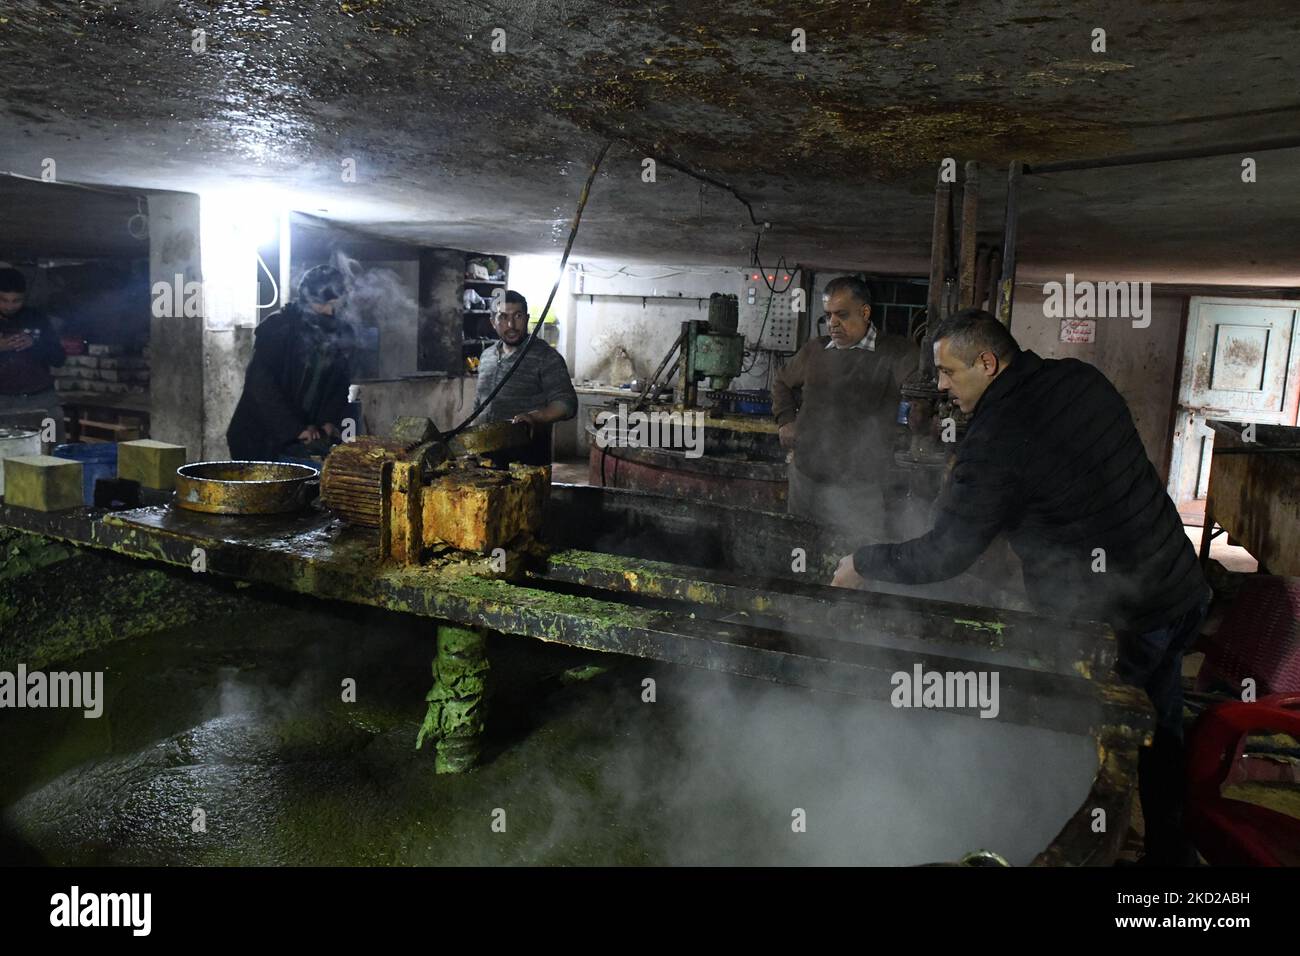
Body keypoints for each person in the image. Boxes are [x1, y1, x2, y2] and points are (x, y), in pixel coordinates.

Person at [832, 308, 1212, 865]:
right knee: (1159, 722)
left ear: (987, 362)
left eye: (948, 373)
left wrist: (864, 562)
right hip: (1179, 590)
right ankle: (1170, 853)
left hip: (1118, 624)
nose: (939, 387)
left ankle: (1058, 845)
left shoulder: (996, 438)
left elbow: (946, 553)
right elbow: (1082, 484)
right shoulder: (1081, 379)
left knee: (1077, 739)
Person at [771, 275, 917, 538]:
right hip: (806, 478)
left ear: (865, 312)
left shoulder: (895, 353)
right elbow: (781, 380)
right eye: (828, 315)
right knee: (798, 547)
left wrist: (923, 413)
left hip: (858, 487)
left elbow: (920, 389)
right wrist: (785, 419)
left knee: (857, 555)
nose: (832, 323)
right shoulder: (815, 351)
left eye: (841, 314)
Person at [227, 265, 355, 461]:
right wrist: (295, 429)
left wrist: (329, 420)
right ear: (308, 299)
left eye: (335, 305)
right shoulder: (278, 328)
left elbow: (339, 383)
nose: (330, 312)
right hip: (259, 438)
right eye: (324, 305)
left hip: (304, 440)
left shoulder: (340, 333)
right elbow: (261, 386)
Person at [474, 291, 577, 466]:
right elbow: (479, 403)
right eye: (503, 317)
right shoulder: (487, 356)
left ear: (527, 318)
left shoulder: (546, 357)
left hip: (527, 459)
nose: (511, 324)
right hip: (486, 457)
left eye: (518, 316)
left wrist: (535, 417)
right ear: (493, 322)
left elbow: (567, 404)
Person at [0, 267, 65, 438]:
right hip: (3, 403)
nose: (10, 306)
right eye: (4, 300)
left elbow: (59, 358)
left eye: (16, 300)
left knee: (51, 451)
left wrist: (35, 343)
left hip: (41, 400)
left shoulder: (37, 318)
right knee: (8, 453)